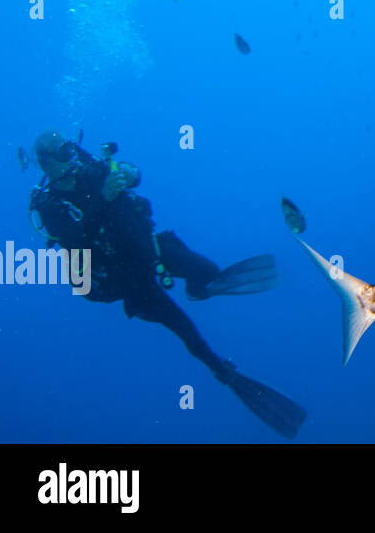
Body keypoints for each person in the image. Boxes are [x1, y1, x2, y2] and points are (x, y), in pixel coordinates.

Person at [28, 130, 306, 439]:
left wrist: (130, 174)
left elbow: (131, 176)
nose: (72, 155)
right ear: (46, 163)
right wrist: (104, 199)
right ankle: (224, 372)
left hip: (149, 250)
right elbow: (77, 239)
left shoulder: (90, 168)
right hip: (125, 278)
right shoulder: (49, 206)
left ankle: (199, 289)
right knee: (186, 330)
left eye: (71, 147)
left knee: (208, 271)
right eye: (63, 152)